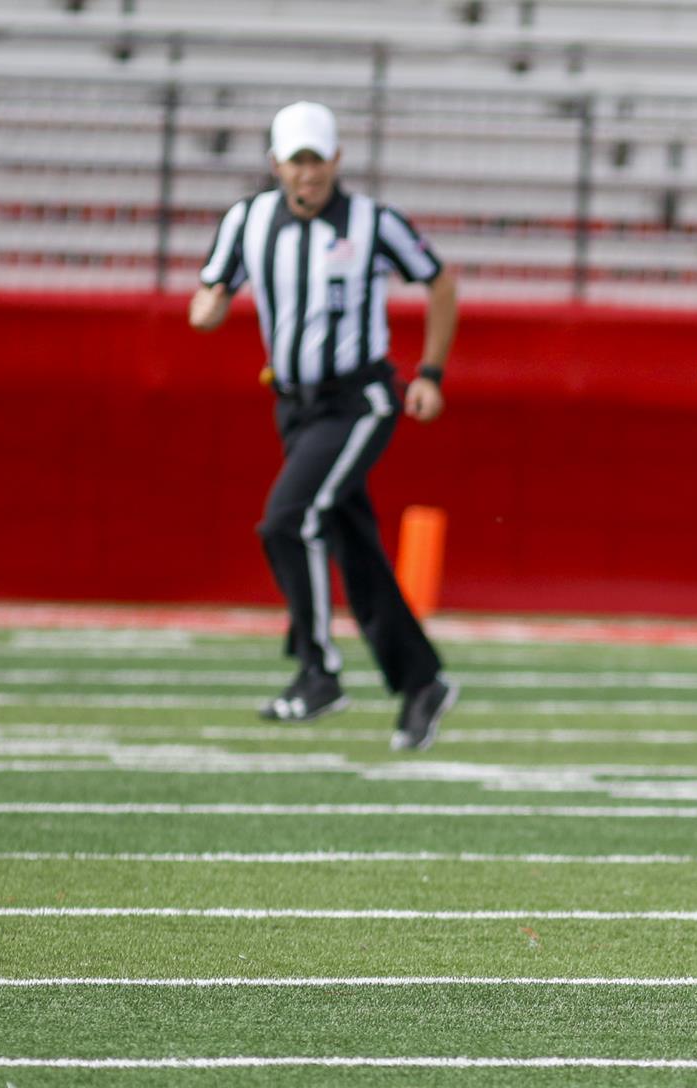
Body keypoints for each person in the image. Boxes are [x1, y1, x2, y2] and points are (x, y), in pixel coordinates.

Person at [191, 101, 460, 751]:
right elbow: (211, 291)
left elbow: (440, 282)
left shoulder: (373, 222)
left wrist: (430, 373)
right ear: (276, 163)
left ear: (336, 159)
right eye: (296, 161)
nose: (307, 173)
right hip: (294, 405)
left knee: (288, 520)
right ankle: (421, 681)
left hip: (360, 399)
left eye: (316, 160)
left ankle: (318, 671)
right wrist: (207, 306)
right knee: (352, 544)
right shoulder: (249, 220)